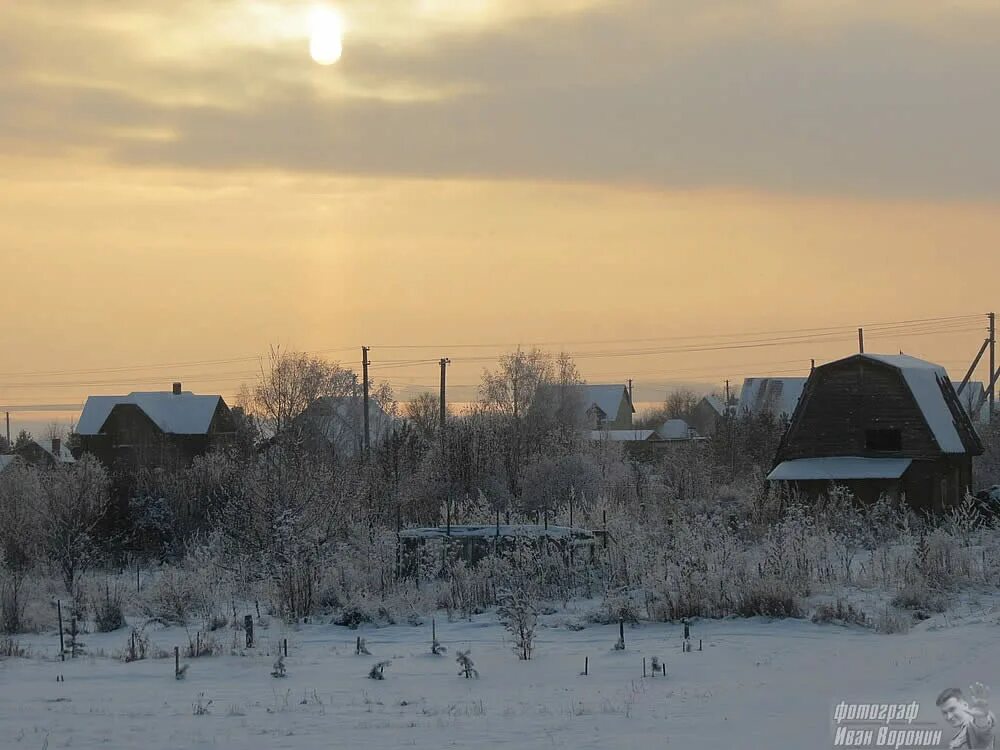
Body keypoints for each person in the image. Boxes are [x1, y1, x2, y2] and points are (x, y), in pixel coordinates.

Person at [937, 684, 995, 749]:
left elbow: (982, 728)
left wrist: (981, 718)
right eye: (944, 712)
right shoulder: (960, 735)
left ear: (965, 705)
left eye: (952, 709)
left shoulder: (972, 727)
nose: (949, 717)